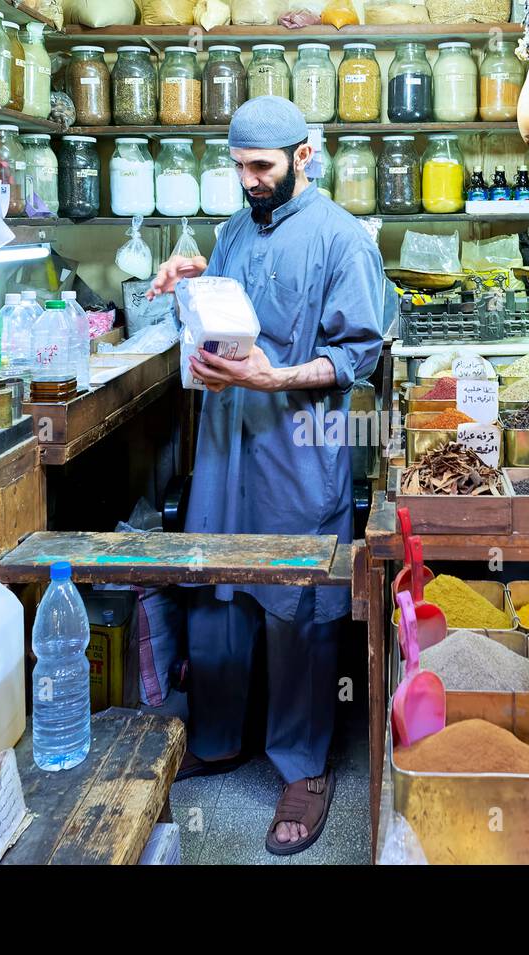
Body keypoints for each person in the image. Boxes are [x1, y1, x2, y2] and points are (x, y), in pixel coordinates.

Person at [148, 97, 385, 855]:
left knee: (297, 605)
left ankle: (303, 765)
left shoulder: (344, 240)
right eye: (239, 168)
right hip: (227, 443)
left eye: (264, 167)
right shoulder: (232, 232)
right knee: (216, 584)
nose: (250, 182)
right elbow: (223, 320)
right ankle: (217, 736)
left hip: (297, 442)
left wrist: (273, 377)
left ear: (304, 155)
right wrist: (194, 296)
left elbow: (355, 359)